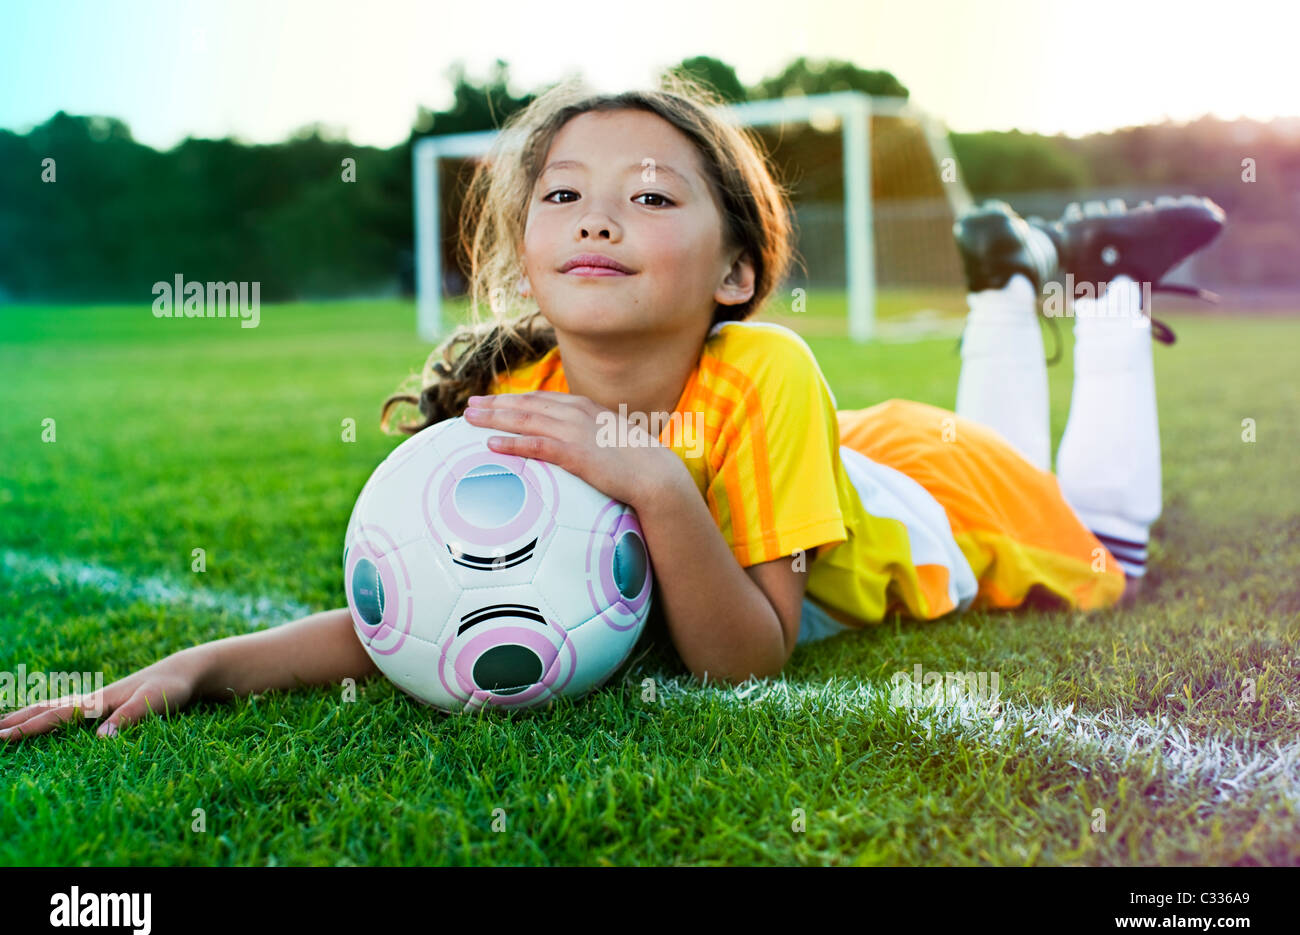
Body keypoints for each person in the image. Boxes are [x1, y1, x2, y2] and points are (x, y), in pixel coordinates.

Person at [0, 76, 1225, 741]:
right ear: (527, 252)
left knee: (1101, 535)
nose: (597, 216)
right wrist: (202, 664)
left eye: (650, 198)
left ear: (735, 273)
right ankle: (1010, 284)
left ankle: (1091, 290)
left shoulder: (768, 371)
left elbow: (741, 662)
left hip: (945, 502)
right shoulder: (508, 406)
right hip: (852, 468)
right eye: (567, 194)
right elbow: (417, 612)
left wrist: (649, 477)